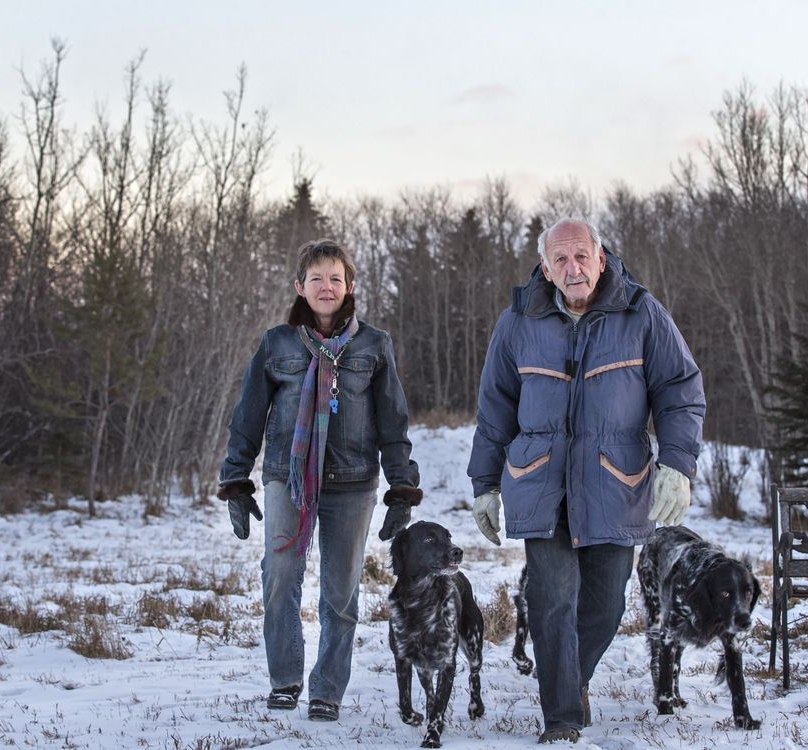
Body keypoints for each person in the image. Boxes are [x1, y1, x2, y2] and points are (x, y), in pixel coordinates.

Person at [468, 219, 705, 744]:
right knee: (552, 597)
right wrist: (485, 482)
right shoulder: (519, 320)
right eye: (561, 260)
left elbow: (680, 391)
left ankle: (571, 682)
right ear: (547, 269)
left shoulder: (642, 313)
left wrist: (678, 464)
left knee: (606, 603)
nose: (572, 268)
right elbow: (495, 409)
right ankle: (563, 719)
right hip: (540, 483)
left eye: (581, 256)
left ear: (601, 258)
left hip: (615, 484)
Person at [218, 238, 421, 722]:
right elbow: (248, 416)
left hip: (352, 484)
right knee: (279, 578)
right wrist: (236, 480)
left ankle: (327, 689)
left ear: (349, 285)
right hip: (286, 480)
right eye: (316, 278)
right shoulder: (277, 343)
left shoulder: (374, 344)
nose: (326, 287)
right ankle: (285, 680)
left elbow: (394, 424)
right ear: (300, 286)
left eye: (335, 278)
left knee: (340, 592)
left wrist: (402, 489)